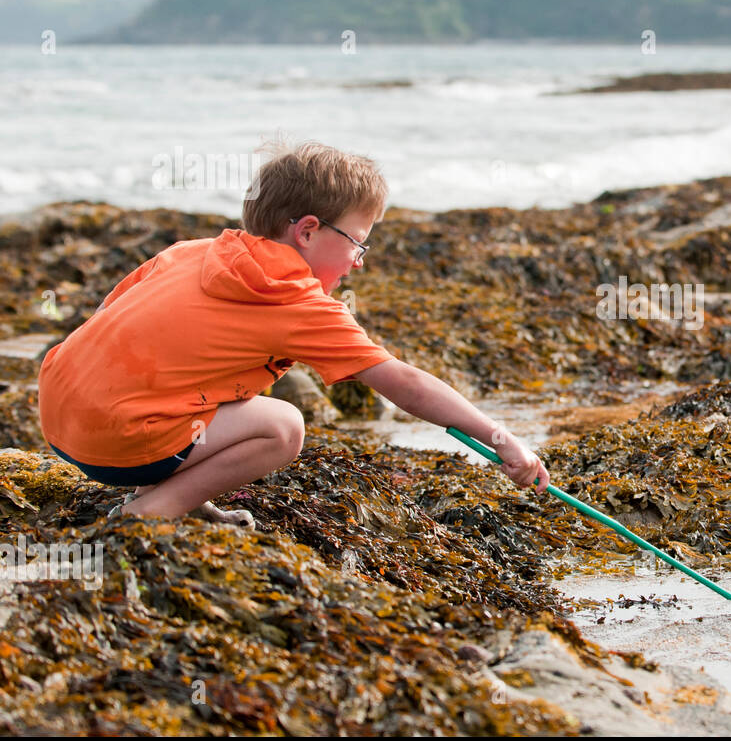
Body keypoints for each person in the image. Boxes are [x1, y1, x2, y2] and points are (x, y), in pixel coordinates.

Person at [38, 140, 549, 529]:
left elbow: (107, 312)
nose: (358, 263)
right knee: (282, 426)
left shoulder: (191, 251)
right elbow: (406, 385)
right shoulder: (296, 302)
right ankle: (151, 511)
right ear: (307, 231)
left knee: (196, 391)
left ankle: (183, 493)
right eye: (357, 244)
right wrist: (502, 440)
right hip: (116, 446)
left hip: (56, 417)